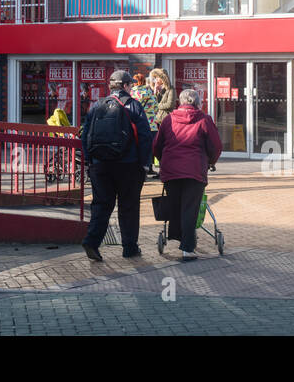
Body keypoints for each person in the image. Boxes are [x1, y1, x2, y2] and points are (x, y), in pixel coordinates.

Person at [79, 69, 153, 262]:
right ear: (127, 86)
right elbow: (145, 136)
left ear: (111, 86)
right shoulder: (134, 106)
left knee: (101, 205)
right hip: (129, 165)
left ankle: (92, 241)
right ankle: (129, 248)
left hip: (100, 165)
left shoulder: (96, 106)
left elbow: (85, 135)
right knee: (128, 206)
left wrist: (90, 160)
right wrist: (145, 164)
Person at [153, 88, 222, 260]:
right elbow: (216, 146)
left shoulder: (168, 119)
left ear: (180, 102)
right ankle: (187, 249)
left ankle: (177, 237)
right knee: (190, 209)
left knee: (175, 206)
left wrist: (164, 161)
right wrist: (210, 161)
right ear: (198, 103)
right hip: (194, 171)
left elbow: (157, 146)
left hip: (171, 171)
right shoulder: (204, 120)